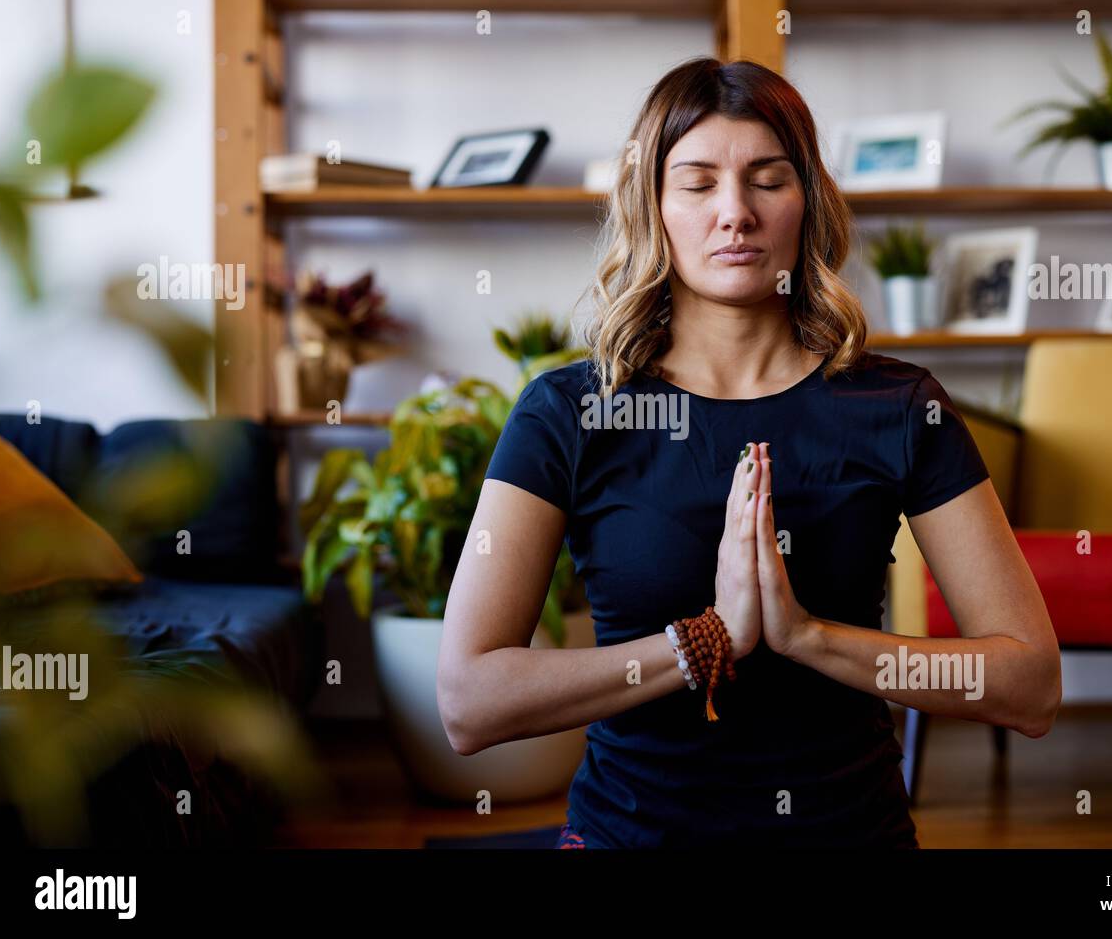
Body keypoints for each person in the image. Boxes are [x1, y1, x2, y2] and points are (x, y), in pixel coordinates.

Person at [437, 57, 1061, 849]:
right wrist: (704, 642)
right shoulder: (569, 411)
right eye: (697, 183)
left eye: (767, 179)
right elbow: (468, 699)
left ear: (807, 202)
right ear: (654, 207)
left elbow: (1031, 685)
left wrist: (808, 637)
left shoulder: (899, 407)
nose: (735, 212)